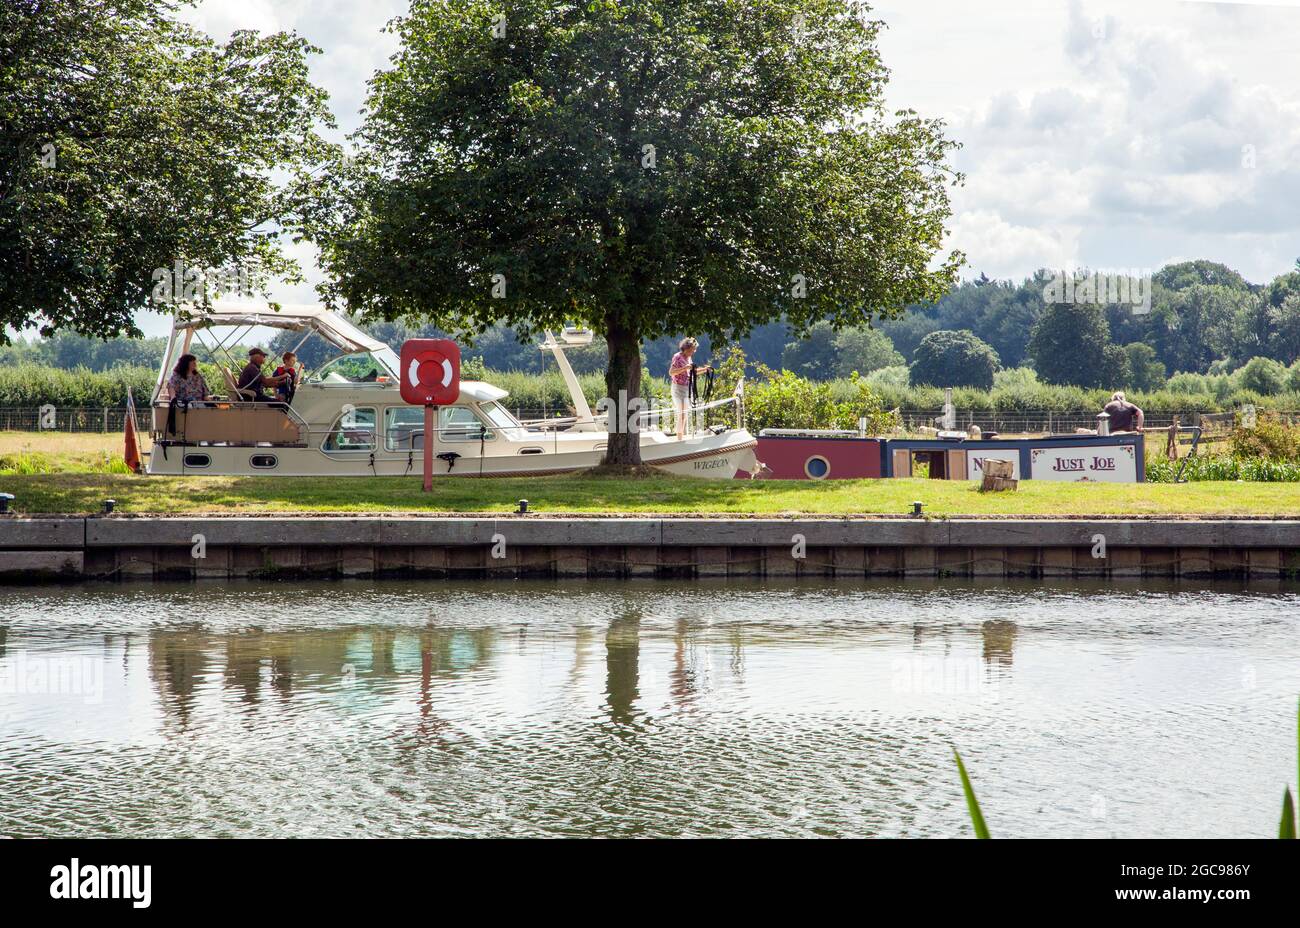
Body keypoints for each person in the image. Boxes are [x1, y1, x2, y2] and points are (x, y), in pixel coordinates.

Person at [668, 337, 709, 440]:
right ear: (685, 348)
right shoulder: (677, 357)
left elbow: (692, 372)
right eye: (692, 349)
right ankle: (679, 439)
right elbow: (671, 372)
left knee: (684, 414)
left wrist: (705, 370)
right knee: (681, 414)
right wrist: (685, 368)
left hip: (687, 388)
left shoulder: (688, 358)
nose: (693, 352)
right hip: (678, 388)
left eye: (694, 349)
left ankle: (681, 437)